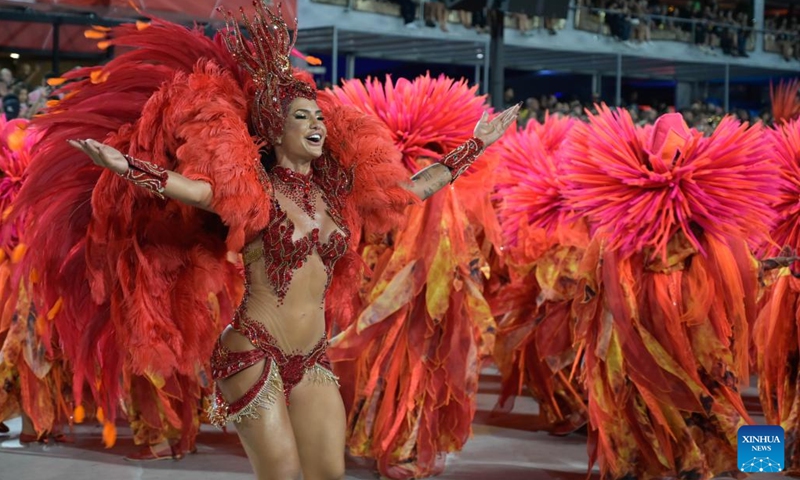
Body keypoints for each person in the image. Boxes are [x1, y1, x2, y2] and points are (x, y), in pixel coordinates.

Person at [26, 3, 518, 479]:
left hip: (313, 356)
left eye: (318, 118)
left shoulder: (337, 192)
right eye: (302, 118)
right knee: (281, 476)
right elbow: (197, 191)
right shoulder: (255, 191)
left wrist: (476, 143)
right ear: (276, 130)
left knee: (328, 474)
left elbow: (414, 188)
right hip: (251, 351)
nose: (316, 125)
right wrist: (127, 166)